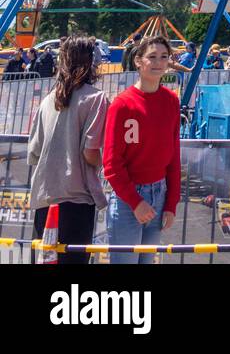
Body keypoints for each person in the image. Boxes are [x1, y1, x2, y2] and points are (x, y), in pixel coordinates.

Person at [27, 36, 107, 266]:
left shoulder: (48, 100)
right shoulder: (96, 98)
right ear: (91, 61)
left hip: (45, 196)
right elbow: (90, 152)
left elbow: (34, 151)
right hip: (77, 198)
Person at [103, 35, 181, 265]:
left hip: (160, 194)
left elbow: (174, 156)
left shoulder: (171, 101)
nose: (158, 62)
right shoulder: (122, 105)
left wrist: (171, 203)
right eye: (152, 57)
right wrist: (136, 202)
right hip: (129, 199)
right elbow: (112, 163)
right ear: (138, 61)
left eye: (164, 57)